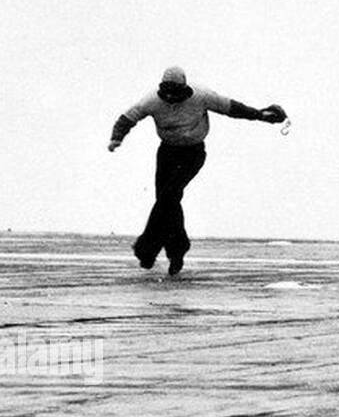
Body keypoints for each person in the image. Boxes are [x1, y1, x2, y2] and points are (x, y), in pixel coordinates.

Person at [108, 67, 286, 276]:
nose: (172, 99)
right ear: (161, 91)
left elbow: (232, 108)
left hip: (192, 154)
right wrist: (116, 138)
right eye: (168, 95)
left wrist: (262, 115)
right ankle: (176, 253)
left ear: (185, 90)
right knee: (167, 201)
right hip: (167, 153)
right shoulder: (151, 101)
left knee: (169, 196)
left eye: (177, 95)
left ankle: (147, 251)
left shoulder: (201, 96)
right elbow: (127, 118)